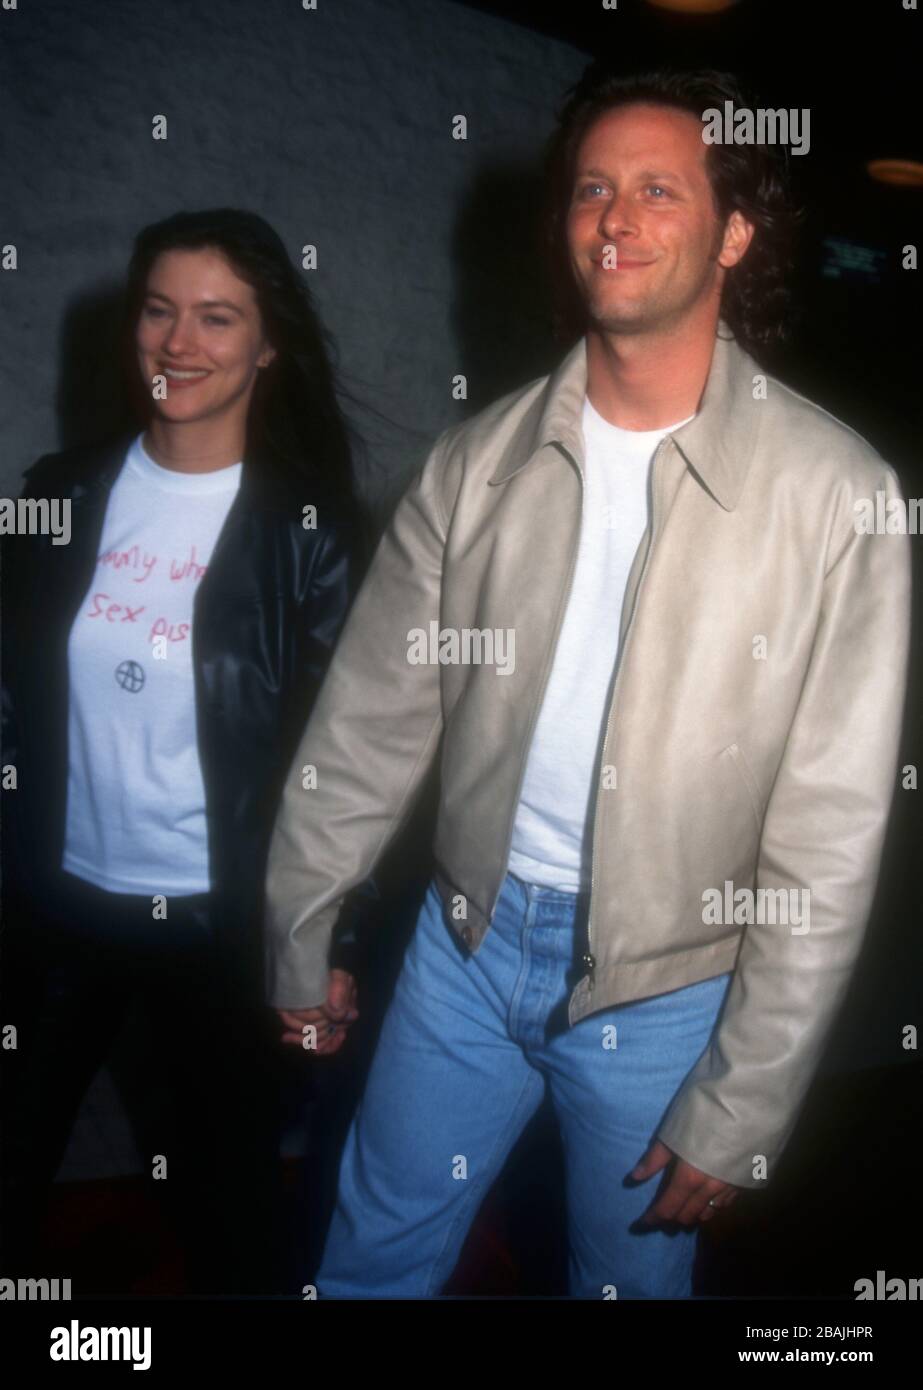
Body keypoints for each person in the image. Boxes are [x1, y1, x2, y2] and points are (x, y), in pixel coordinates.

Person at [263, 65, 911, 1298]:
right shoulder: (474, 464)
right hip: (462, 945)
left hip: (673, 987)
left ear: (731, 232)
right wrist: (300, 923)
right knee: (368, 1257)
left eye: (657, 189)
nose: (613, 218)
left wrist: (745, 1096)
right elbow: (367, 724)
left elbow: (830, 835)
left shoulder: (839, 496)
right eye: (590, 189)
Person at [0, 208, 367, 1293]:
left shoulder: (314, 529)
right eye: (159, 310)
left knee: (230, 1199)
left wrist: (333, 937)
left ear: (267, 346)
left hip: (220, 919)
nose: (179, 342)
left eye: (217, 317)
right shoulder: (58, 490)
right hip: (58, 903)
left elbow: (344, 756)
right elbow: (13, 703)